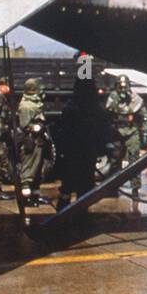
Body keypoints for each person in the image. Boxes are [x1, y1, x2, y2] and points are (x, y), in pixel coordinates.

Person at [55, 56, 108, 208]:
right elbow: (102, 129)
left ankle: (65, 207)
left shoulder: (71, 109)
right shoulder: (95, 110)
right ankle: (80, 209)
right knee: (84, 184)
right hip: (85, 151)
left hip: (74, 151)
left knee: (69, 181)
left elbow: (64, 129)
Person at [106, 74, 147, 197]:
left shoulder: (136, 99)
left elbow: (145, 117)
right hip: (117, 132)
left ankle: (135, 189)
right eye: (120, 87)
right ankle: (112, 187)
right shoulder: (112, 98)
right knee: (115, 160)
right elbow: (106, 117)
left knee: (134, 160)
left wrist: (145, 133)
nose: (122, 90)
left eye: (124, 87)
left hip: (132, 132)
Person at [16, 77, 53, 205]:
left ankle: (35, 196)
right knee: (28, 170)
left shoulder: (37, 104)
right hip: (31, 141)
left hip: (39, 141)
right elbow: (25, 125)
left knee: (37, 170)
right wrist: (38, 127)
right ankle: (25, 198)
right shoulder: (26, 106)